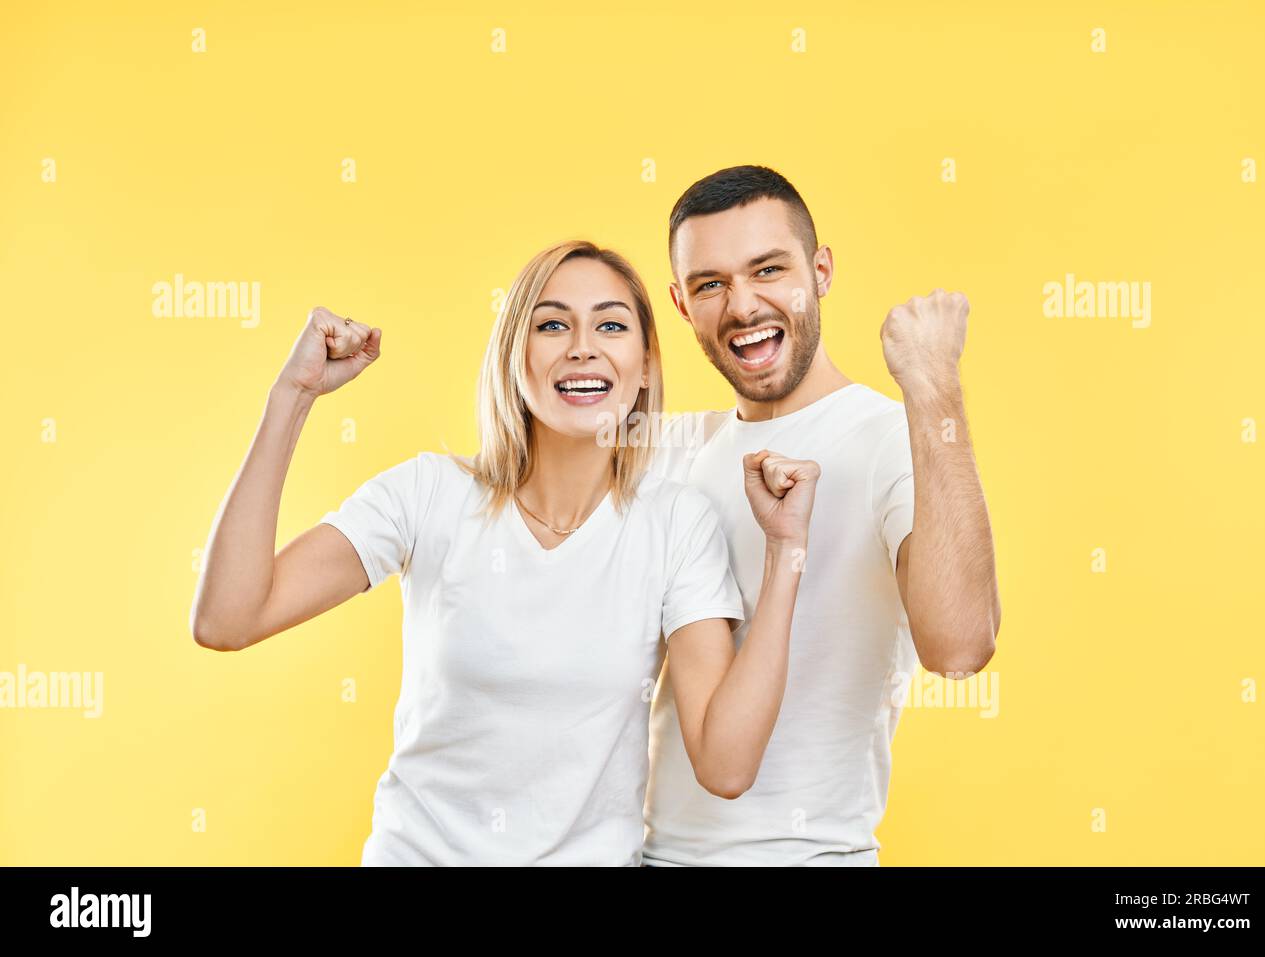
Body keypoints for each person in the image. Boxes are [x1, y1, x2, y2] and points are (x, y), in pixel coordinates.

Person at [190, 239, 821, 866]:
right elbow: (228, 620)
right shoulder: (428, 493)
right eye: (552, 324)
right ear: (515, 357)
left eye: (610, 324)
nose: (582, 345)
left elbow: (726, 764)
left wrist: (786, 550)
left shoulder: (676, 524)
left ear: (646, 365)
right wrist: (292, 396)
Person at [643, 166, 1002, 866]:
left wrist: (936, 390)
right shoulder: (682, 448)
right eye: (710, 283)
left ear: (821, 269)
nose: (742, 305)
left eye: (768, 269)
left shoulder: (891, 435)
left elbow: (960, 648)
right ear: (682, 306)